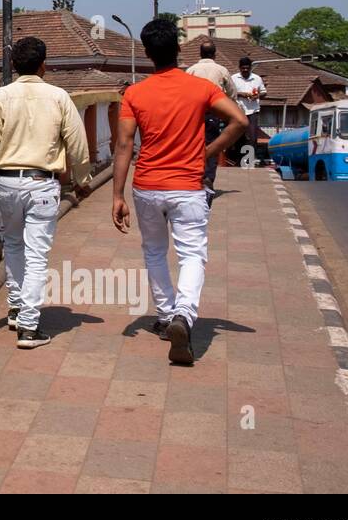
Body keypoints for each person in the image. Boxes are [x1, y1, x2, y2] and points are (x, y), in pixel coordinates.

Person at [111, 20, 247, 365]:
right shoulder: (199, 88)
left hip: (147, 186)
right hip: (187, 187)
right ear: (178, 51)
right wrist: (208, 152)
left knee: (155, 252)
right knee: (191, 254)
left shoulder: (135, 94)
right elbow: (240, 122)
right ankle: (184, 316)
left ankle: (166, 314)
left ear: (146, 53)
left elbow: (124, 145)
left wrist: (117, 195)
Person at [0, 36, 93, 349]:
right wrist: (82, 178)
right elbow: (77, 143)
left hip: (7, 182)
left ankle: (14, 307)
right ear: (43, 65)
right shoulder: (59, 97)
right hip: (42, 184)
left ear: (13, 66)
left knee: (12, 245)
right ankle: (28, 326)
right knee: (36, 254)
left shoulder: (1, 96)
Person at [185, 41, 235, 203]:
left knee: (193, 145)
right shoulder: (221, 70)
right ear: (214, 54)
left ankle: (194, 176)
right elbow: (232, 93)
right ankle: (208, 178)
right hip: (214, 113)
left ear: (200, 54)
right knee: (213, 145)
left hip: (194, 113)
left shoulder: (191, 70)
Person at [230, 56, 267, 166]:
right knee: (238, 137)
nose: (245, 70)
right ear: (239, 68)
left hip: (253, 111)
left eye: (247, 68)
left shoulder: (257, 78)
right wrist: (242, 94)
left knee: (252, 137)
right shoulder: (233, 78)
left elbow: (264, 92)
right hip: (238, 111)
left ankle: (250, 161)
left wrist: (257, 96)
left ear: (250, 68)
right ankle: (238, 161)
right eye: (243, 68)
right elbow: (229, 93)